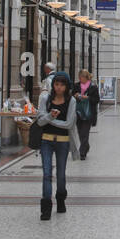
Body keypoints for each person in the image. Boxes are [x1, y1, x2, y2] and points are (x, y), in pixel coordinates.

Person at [36, 71, 78, 220]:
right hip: (46, 140)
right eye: (56, 84)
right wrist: (49, 116)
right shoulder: (46, 99)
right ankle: (46, 207)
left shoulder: (71, 101)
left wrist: (49, 119)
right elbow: (39, 121)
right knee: (47, 174)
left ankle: (60, 198)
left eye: (62, 85)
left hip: (62, 142)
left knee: (61, 174)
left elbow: (68, 124)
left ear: (67, 86)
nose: (59, 87)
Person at [72, 69, 99, 160]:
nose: (80, 79)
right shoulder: (76, 86)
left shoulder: (93, 87)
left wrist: (87, 98)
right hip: (78, 112)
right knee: (80, 132)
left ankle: (82, 152)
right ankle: (86, 146)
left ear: (86, 77)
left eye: (82, 77)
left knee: (85, 132)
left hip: (88, 113)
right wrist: (75, 96)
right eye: (79, 77)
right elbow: (71, 97)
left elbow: (96, 100)